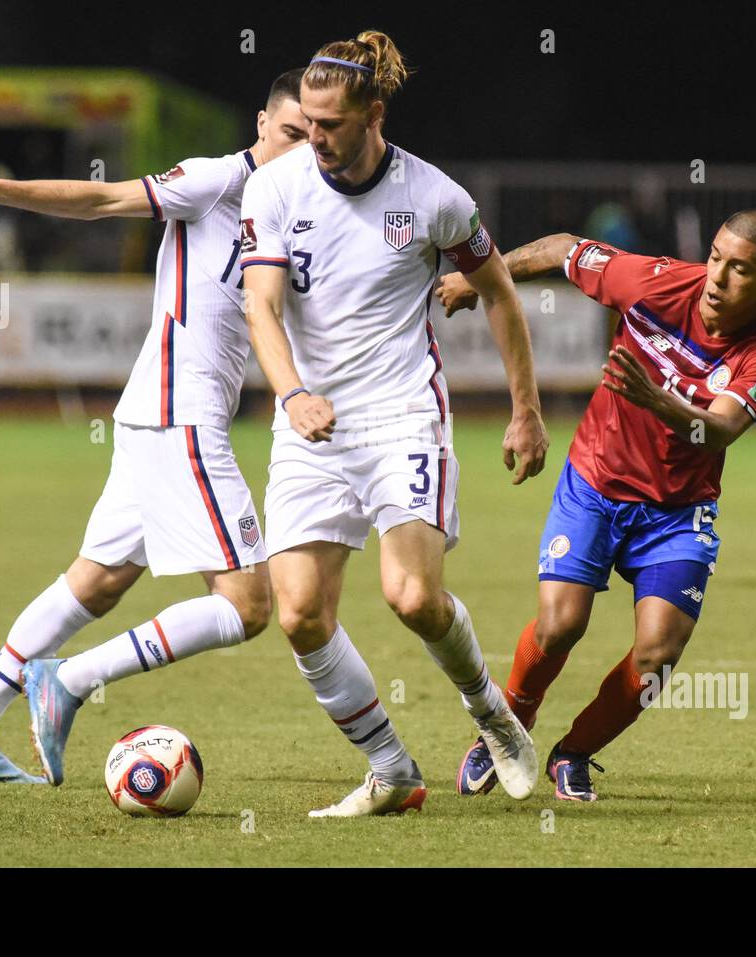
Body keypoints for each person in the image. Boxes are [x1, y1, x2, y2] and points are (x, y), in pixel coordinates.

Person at [0, 70, 310, 785]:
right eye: (292, 132)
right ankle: (69, 679)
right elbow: (103, 198)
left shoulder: (298, 205)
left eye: (316, 135)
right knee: (250, 605)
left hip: (156, 415)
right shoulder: (216, 181)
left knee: (97, 581)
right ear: (263, 124)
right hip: (179, 413)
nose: (304, 147)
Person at [240, 30, 549, 817]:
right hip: (309, 423)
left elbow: (502, 292)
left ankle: (491, 714)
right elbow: (262, 307)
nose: (314, 137)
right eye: (306, 122)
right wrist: (292, 393)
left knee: (412, 597)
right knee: (301, 614)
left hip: (402, 414)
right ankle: (391, 767)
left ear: (374, 112)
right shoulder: (274, 190)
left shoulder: (434, 196)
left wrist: (526, 410)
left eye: (331, 124)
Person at [438, 212, 756, 801]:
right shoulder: (655, 281)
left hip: (679, 512)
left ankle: (573, 754)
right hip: (596, 484)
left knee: (658, 655)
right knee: (559, 626)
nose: (717, 278)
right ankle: (506, 730)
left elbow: (721, 431)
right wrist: (478, 277)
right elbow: (560, 248)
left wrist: (657, 400)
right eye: (715, 257)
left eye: (740, 270)